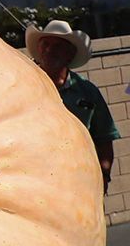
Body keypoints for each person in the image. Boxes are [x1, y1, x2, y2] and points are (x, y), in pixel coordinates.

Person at [26, 19, 119, 190]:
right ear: (38, 49)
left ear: (70, 54)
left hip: (81, 180)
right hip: (37, 180)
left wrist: (104, 175)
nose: (49, 50)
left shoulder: (88, 92)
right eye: (45, 44)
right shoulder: (24, 87)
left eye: (57, 46)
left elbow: (105, 137)